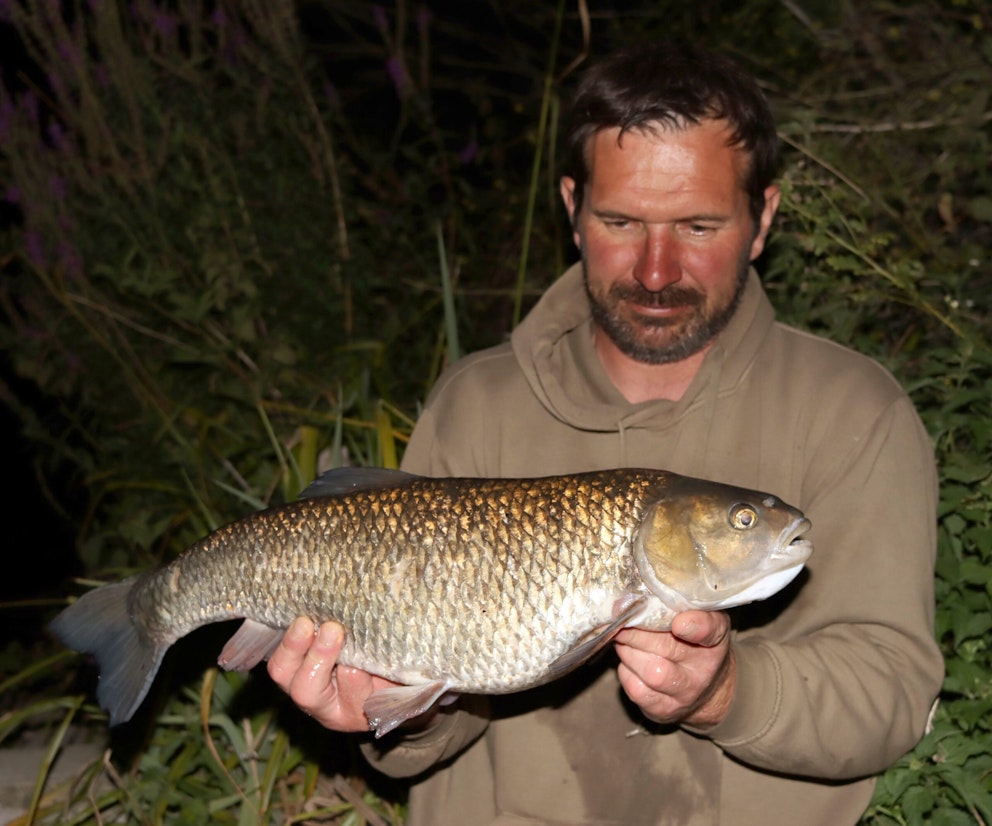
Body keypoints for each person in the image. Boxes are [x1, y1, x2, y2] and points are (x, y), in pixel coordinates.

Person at [267, 42, 944, 825]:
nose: (656, 270)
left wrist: (727, 692)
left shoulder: (852, 412)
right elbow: (438, 713)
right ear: (572, 210)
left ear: (762, 220)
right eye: (622, 221)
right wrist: (396, 707)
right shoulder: (476, 405)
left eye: (697, 225)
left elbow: (890, 693)